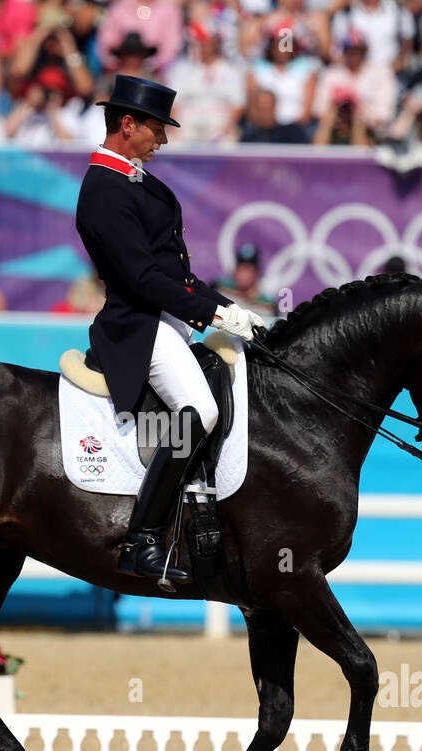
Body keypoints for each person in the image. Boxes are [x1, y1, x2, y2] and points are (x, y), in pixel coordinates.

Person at [74, 76, 265, 584]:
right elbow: (141, 279)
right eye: (157, 129)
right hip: (137, 323)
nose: (163, 140)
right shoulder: (102, 189)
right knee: (198, 410)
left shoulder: (137, 181)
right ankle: (141, 539)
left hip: (168, 318)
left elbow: (177, 277)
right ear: (128, 124)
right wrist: (215, 316)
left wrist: (230, 308)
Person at [213, 243, 278, 318]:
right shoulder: (220, 289)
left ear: (257, 273)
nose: (243, 274)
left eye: (248, 269)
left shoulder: (268, 304)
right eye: (241, 268)